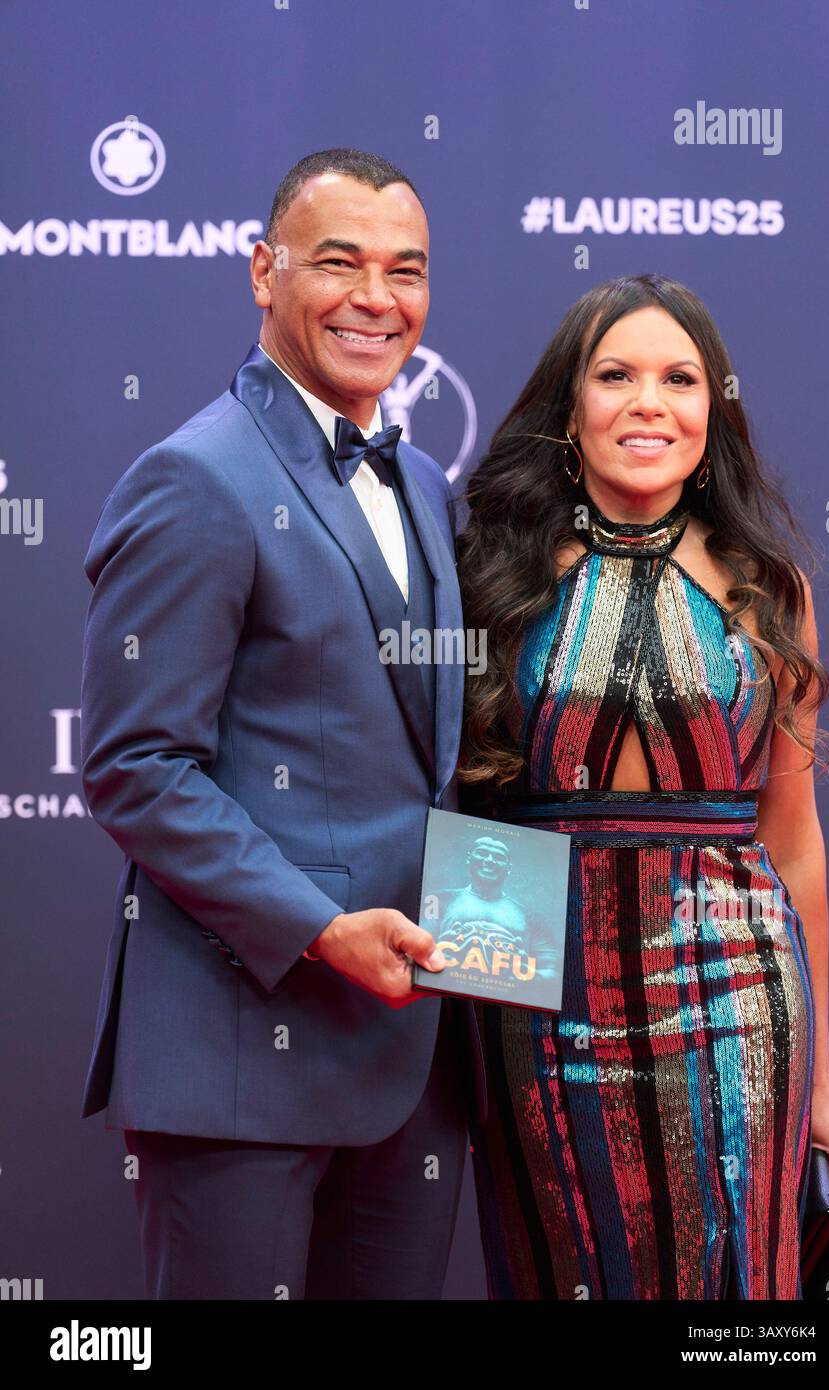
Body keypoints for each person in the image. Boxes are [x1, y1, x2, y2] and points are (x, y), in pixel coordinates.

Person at [79, 147, 486, 1301]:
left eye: (404, 270)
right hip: (241, 1053)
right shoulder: (194, 476)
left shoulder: (416, 484)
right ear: (263, 272)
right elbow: (135, 767)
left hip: (411, 1057)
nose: (376, 298)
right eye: (338, 262)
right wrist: (317, 928)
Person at [456, 273, 829, 1300]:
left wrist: (815, 1075)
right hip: (538, 1007)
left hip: (737, 994)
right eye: (615, 375)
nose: (649, 401)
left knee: (731, 1288)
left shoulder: (768, 588)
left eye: (678, 378)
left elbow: (793, 838)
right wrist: (482, 1024)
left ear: (711, 409)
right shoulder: (490, 576)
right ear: (566, 410)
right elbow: (467, 815)